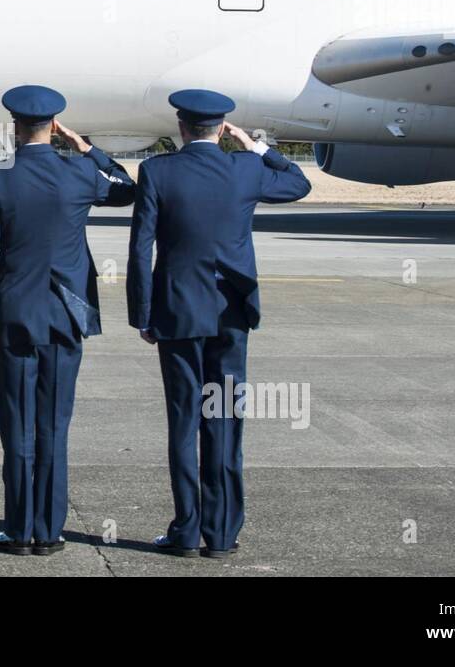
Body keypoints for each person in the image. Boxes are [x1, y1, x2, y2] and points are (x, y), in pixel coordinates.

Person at [126, 89, 311, 559]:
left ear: (182, 127)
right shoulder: (245, 169)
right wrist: (256, 147)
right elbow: (296, 183)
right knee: (225, 420)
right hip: (231, 315)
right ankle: (223, 533)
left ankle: (186, 531)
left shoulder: (158, 171)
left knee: (184, 423)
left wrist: (142, 315)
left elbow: (140, 247)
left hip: (176, 311)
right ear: (222, 128)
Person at [0, 85, 135, 555]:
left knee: (17, 428)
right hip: (66, 314)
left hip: (13, 315)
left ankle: (19, 530)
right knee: (55, 428)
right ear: (54, 126)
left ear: (14, 127)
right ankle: (50, 530)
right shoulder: (81, 172)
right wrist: (88, 148)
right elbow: (126, 189)